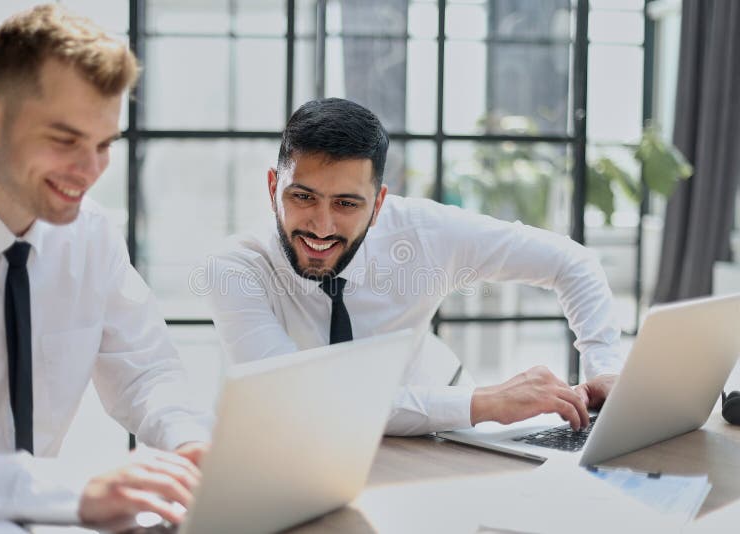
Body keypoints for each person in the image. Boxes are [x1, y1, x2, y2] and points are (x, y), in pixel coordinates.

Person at [205, 97, 623, 436]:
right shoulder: (237, 268)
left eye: (347, 204)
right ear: (273, 187)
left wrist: (603, 368)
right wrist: (487, 402)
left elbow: (573, 262)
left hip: (436, 437)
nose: (322, 225)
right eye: (303, 197)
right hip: (299, 449)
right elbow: (305, 401)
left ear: (379, 204)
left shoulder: (424, 231)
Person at [0, 4, 209, 527]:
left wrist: (192, 441)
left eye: (104, 145)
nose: (89, 172)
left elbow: (147, 371)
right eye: (65, 140)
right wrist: (72, 490)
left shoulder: (93, 236)